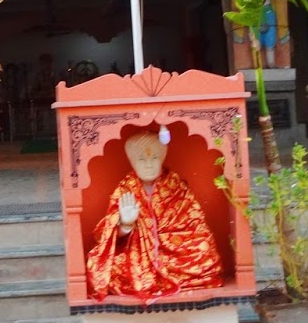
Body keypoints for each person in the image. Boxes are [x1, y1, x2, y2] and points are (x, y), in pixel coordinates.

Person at [86, 127, 224, 302]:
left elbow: (195, 224)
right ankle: (157, 280)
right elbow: (106, 236)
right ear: (133, 162)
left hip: (175, 254)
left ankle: (165, 279)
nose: (149, 164)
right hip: (138, 255)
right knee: (104, 265)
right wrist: (126, 224)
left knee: (204, 252)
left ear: (162, 159)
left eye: (154, 158)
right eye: (142, 159)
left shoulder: (176, 185)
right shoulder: (126, 189)